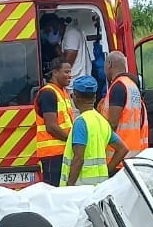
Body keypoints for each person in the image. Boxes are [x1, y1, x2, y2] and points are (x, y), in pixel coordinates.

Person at [65, 75, 127, 187]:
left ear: (75, 97)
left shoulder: (81, 122)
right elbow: (123, 149)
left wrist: (69, 186)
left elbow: (78, 158)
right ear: (94, 98)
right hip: (100, 188)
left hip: (82, 188)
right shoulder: (102, 121)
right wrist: (107, 171)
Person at [33, 58, 75, 187]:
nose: (70, 75)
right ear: (55, 73)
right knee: (54, 192)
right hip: (53, 155)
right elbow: (51, 127)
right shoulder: (48, 93)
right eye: (66, 72)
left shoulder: (62, 92)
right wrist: (72, 141)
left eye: (70, 72)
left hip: (62, 152)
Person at [98, 51, 149, 155]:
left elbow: (112, 123)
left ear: (109, 65)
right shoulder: (132, 86)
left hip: (117, 155)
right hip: (133, 151)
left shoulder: (118, 86)